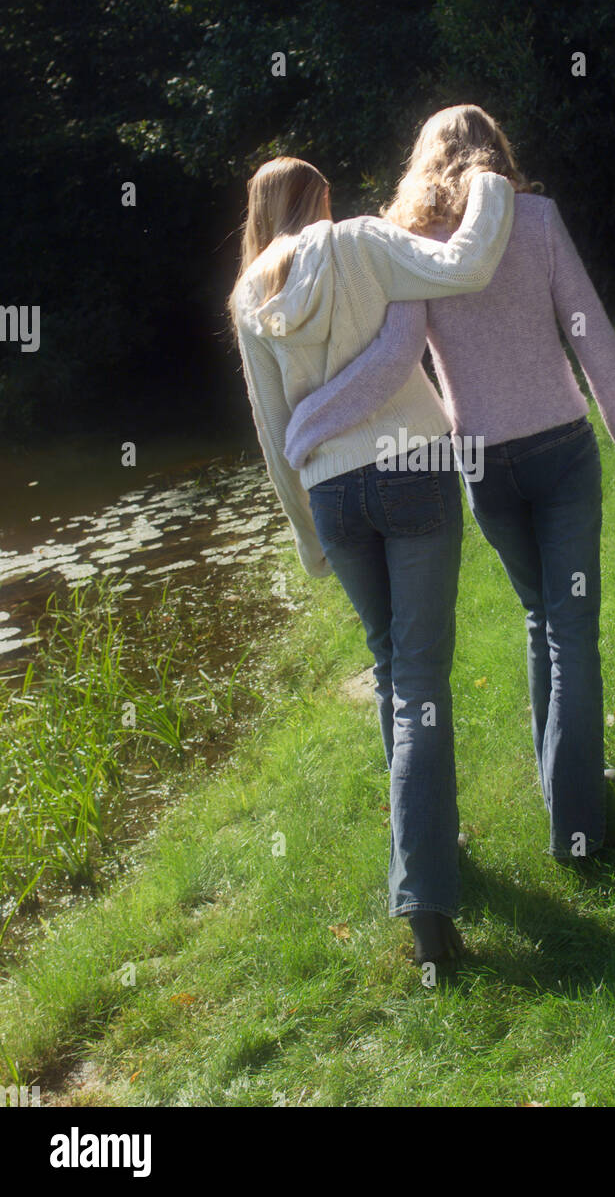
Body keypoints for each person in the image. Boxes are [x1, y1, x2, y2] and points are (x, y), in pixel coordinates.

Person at [283, 106, 615, 871]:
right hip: (562, 449)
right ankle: (577, 825)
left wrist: (309, 426)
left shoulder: (409, 245)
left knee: (541, 619)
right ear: (498, 151)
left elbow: (395, 360)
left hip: (483, 464)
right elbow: (588, 330)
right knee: (571, 628)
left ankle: (569, 790)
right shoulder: (535, 218)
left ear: (423, 159)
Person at [228, 156, 514, 965]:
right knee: (418, 677)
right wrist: (486, 181)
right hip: (414, 468)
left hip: (331, 492)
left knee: (391, 668)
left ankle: (429, 848)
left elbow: (274, 431)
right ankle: (427, 905)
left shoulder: (251, 295)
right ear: (321, 197)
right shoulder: (360, 239)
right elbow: (468, 264)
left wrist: (308, 537)